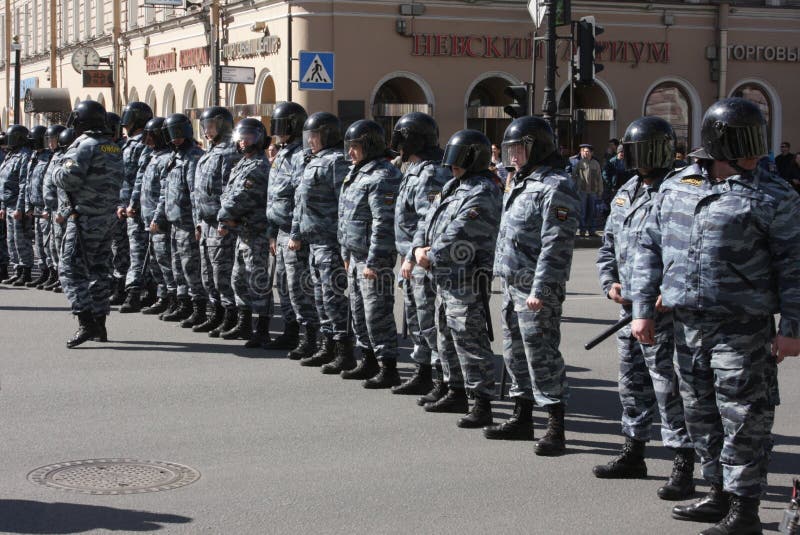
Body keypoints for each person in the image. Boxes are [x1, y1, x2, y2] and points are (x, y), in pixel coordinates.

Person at [631, 98, 800, 534]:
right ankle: (717, 493)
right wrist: (641, 309)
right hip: (687, 326)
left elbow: (793, 266)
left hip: (741, 329)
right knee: (699, 413)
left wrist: (792, 328)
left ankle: (744, 510)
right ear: (719, 143)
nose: (756, 153)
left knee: (744, 416)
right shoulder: (677, 186)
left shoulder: (774, 195)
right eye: (746, 143)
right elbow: (648, 249)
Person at [595, 116, 695, 499]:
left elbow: (688, 251)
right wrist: (610, 284)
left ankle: (683, 462)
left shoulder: (682, 190)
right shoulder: (626, 191)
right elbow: (608, 246)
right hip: (630, 309)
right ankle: (633, 451)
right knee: (631, 382)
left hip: (663, 312)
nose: (631, 159)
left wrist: (665, 293)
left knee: (668, 386)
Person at [483, 116, 578, 456]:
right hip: (512, 283)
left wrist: (541, 289)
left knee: (542, 355)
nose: (513, 157)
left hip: (537, 288)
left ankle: (555, 426)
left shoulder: (556, 185)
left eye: (519, 149)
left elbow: (556, 244)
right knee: (514, 354)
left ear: (537, 148)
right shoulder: (518, 181)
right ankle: (522, 417)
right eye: (510, 150)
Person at [413, 129, 502, 427]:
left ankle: (482, 401)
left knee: (470, 339)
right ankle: (455, 389)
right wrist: (417, 248)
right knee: (445, 334)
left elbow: (462, 232)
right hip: (443, 276)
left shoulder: (484, 191)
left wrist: (430, 254)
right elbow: (427, 218)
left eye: (458, 159)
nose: (452, 166)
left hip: (465, 277)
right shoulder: (453, 185)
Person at [52, 100, 124, 347]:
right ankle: (100, 323)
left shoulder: (84, 146)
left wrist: (56, 169)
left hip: (84, 218)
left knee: (70, 269)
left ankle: (86, 321)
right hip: (106, 218)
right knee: (98, 270)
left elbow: (68, 179)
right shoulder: (112, 147)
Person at [389, 112, 451, 397]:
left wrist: (414, 256)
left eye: (403, 137)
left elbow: (429, 220)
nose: (398, 143)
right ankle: (422, 372)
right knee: (416, 319)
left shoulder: (431, 171)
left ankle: (441, 379)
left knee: (430, 321)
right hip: (409, 256)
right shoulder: (413, 168)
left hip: (423, 260)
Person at [338, 120, 403, 388]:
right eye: (349, 147)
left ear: (370, 146)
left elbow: (383, 222)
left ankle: (388, 365)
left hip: (373, 259)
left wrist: (375, 261)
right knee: (359, 311)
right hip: (355, 255)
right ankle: (368, 360)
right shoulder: (356, 172)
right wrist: (345, 252)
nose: (351, 152)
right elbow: (346, 216)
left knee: (377, 313)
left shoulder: (383, 176)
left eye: (356, 147)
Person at [289, 112, 351, 366]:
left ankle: (344, 350)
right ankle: (328, 345)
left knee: (333, 296)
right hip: (314, 241)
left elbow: (345, 204)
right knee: (320, 296)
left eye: (314, 136)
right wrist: (296, 232)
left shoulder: (337, 162)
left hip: (330, 241)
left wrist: (343, 244)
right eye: (309, 136)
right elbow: (300, 202)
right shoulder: (312, 161)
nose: (310, 141)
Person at [218, 118, 272, 348]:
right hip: (243, 232)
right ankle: (244, 323)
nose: (242, 141)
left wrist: (224, 215)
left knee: (257, 281)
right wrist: (226, 213)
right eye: (241, 136)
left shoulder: (259, 165)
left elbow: (242, 198)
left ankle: (262, 329)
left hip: (256, 232)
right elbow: (227, 193)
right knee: (238, 279)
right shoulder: (242, 163)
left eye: (248, 136)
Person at [151, 113, 207, 328]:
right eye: (170, 135)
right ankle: (183, 303)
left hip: (187, 223)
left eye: (177, 134)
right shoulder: (174, 158)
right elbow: (165, 192)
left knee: (191, 267)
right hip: (174, 223)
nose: (174, 139)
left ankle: (198, 307)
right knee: (178, 267)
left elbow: (195, 193)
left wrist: (197, 223)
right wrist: (159, 217)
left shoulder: (193, 157)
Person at [262, 101, 311, 350]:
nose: (276, 130)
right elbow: (274, 196)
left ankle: (309, 336)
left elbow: (300, 198)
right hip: (279, 230)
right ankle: (290, 332)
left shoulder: (301, 156)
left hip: (293, 232)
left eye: (281, 125)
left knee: (298, 286)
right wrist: (272, 233)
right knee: (282, 283)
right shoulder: (283, 153)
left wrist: (295, 232)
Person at [191, 106, 242, 336]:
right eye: (205, 126)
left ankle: (231, 315)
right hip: (206, 223)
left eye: (210, 125)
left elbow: (227, 192)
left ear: (222, 125)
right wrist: (198, 222)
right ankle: (216, 312)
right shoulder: (209, 153)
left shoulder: (229, 153)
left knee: (222, 273)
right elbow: (197, 192)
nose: (206, 130)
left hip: (222, 225)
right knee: (208, 273)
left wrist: (224, 221)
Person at [137, 117, 186, 317]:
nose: (148, 140)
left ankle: (173, 299)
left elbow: (164, 194)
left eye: (152, 136)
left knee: (167, 263)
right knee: (156, 263)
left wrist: (158, 217)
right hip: (149, 218)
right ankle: (163, 296)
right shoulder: (154, 156)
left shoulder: (167, 158)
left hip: (162, 220)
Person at [118, 101, 154, 312]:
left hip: (138, 207)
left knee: (139, 250)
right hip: (127, 205)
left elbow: (140, 178)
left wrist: (131, 204)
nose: (125, 124)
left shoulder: (142, 144)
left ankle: (134, 293)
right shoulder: (129, 143)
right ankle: (146, 289)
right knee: (133, 250)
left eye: (129, 119)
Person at [41, 127, 77, 294]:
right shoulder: (57, 156)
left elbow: (68, 189)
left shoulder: (69, 159)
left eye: (53, 139)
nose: (50, 143)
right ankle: (59, 277)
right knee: (55, 246)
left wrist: (64, 211)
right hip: (54, 208)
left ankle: (67, 279)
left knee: (65, 248)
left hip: (64, 210)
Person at [23, 125, 55, 289]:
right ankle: (43, 272)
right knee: (40, 242)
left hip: (45, 207)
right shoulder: (34, 157)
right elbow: (29, 182)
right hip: (35, 206)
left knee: (48, 242)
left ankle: (52, 272)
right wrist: (28, 205)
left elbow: (50, 185)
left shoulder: (50, 157)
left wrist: (48, 209)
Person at [0, 125, 33, 285]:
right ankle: (17, 269)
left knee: (21, 240)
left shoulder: (24, 156)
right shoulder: (11, 155)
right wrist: (3, 206)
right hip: (8, 204)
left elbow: (23, 184)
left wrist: (20, 208)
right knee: (11, 240)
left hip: (17, 204)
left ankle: (26, 271)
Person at [572, 143, 603, 236]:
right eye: (584, 152)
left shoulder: (596, 164)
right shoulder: (579, 163)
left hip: (593, 191)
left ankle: (592, 231)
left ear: (591, 153)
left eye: (588, 152)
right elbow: (574, 176)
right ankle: (582, 230)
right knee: (582, 212)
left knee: (592, 212)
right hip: (582, 191)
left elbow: (599, 178)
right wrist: (575, 188)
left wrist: (600, 191)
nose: (586, 153)